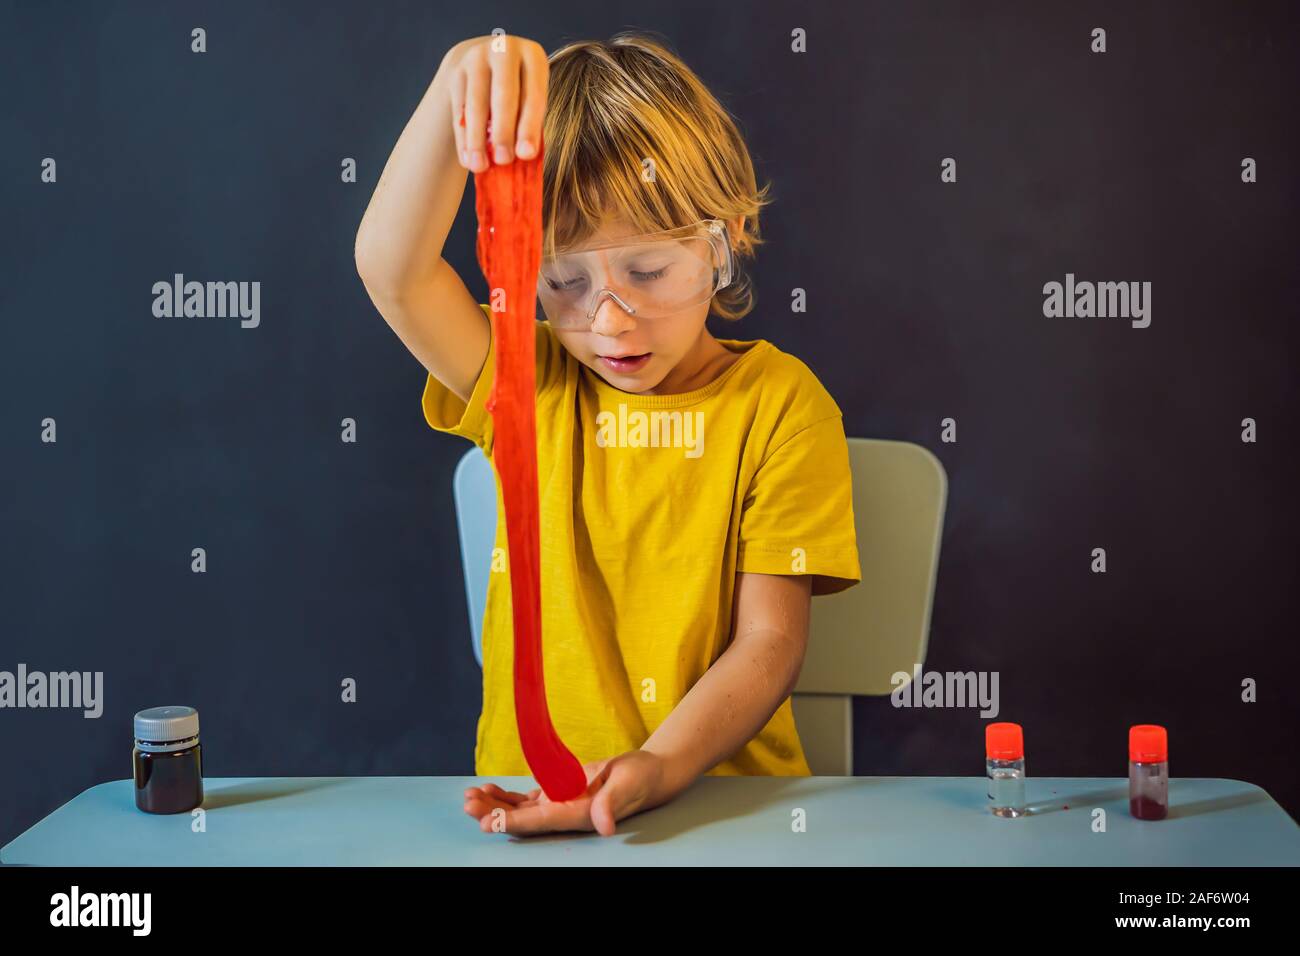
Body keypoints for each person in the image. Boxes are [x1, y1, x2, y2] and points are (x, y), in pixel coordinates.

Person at [355, 31, 861, 837]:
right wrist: (459, 82)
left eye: (649, 272)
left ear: (723, 239)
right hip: (530, 798)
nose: (609, 319)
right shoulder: (529, 381)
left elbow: (769, 641)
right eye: (562, 280)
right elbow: (394, 269)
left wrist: (659, 767)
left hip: (727, 811)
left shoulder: (782, 405)